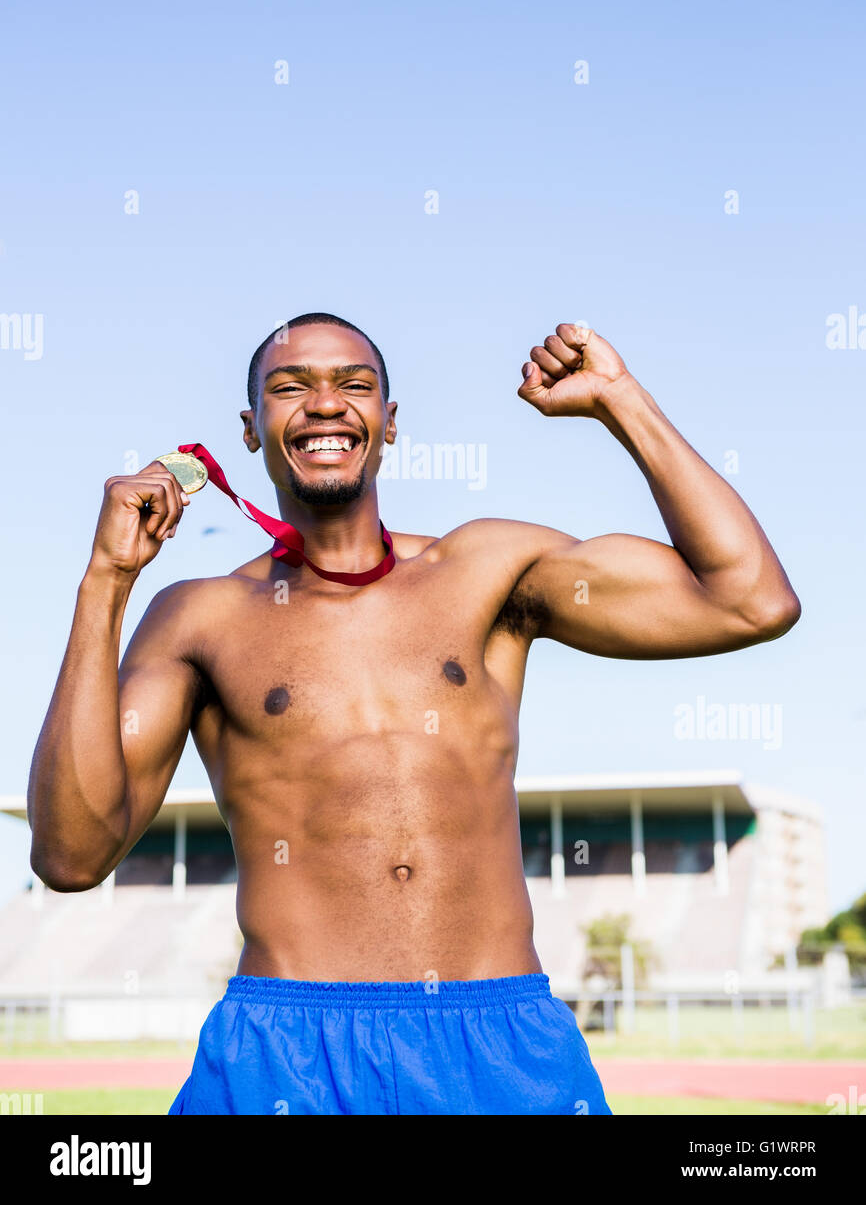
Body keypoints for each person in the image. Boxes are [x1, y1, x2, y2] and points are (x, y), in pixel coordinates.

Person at [27, 313, 800, 1115]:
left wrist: (620, 401)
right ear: (251, 430)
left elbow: (750, 602)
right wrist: (106, 581)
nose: (325, 403)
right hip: (284, 1055)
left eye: (354, 384)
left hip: (501, 1044)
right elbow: (71, 856)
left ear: (389, 422)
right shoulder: (196, 617)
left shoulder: (489, 571)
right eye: (291, 387)